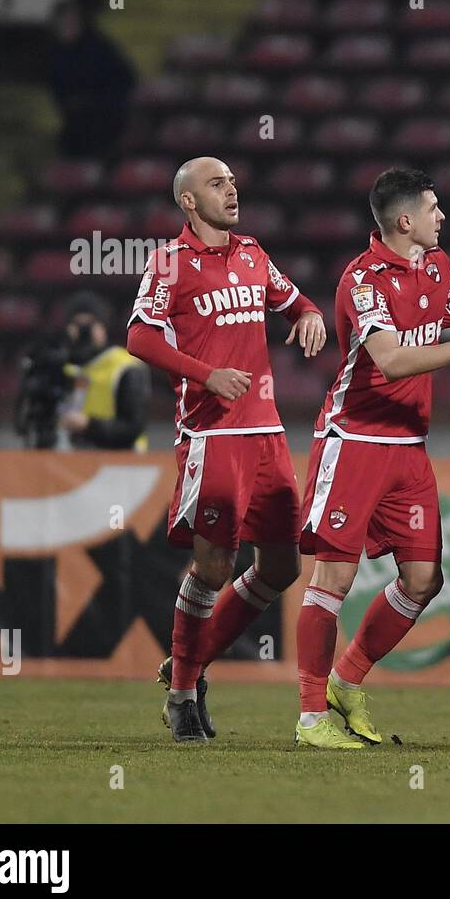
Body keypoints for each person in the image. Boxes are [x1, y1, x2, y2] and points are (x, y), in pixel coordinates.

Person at [293, 168, 450, 750]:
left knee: (422, 581)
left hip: (408, 449)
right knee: (332, 582)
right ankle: (311, 715)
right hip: (356, 443)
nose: (443, 216)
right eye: (434, 208)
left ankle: (347, 680)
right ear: (404, 220)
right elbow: (390, 361)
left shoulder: (437, 267)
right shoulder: (362, 280)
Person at [127, 156, 327, 742]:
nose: (231, 190)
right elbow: (139, 334)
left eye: (234, 182)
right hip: (211, 436)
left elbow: (296, 302)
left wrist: (311, 316)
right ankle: (184, 693)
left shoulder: (253, 253)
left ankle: (185, 666)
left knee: (284, 566)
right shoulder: (168, 261)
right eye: (217, 184)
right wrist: (205, 373)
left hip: (265, 434)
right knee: (213, 566)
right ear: (189, 201)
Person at [56, 292, 151, 451]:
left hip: (124, 464)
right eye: (77, 325)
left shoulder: (126, 367)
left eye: (90, 325)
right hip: (75, 463)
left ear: (103, 327)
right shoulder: (62, 367)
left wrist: (88, 425)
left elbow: (134, 427)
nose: (83, 332)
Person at [47, 0, 136, 158]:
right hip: (73, 126)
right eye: (63, 22)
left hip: (105, 122)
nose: (67, 26)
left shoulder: (100, 49)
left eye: (72, 21)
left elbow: (126, 80)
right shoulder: (53, 54)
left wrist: (95, 102)